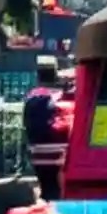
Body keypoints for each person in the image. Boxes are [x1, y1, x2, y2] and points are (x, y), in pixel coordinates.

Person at [24, 56, 75, 200]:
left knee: (48, 188)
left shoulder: (33, 97)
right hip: (61, 153)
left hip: (38, 152)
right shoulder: (66, 96)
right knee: (60, 191)